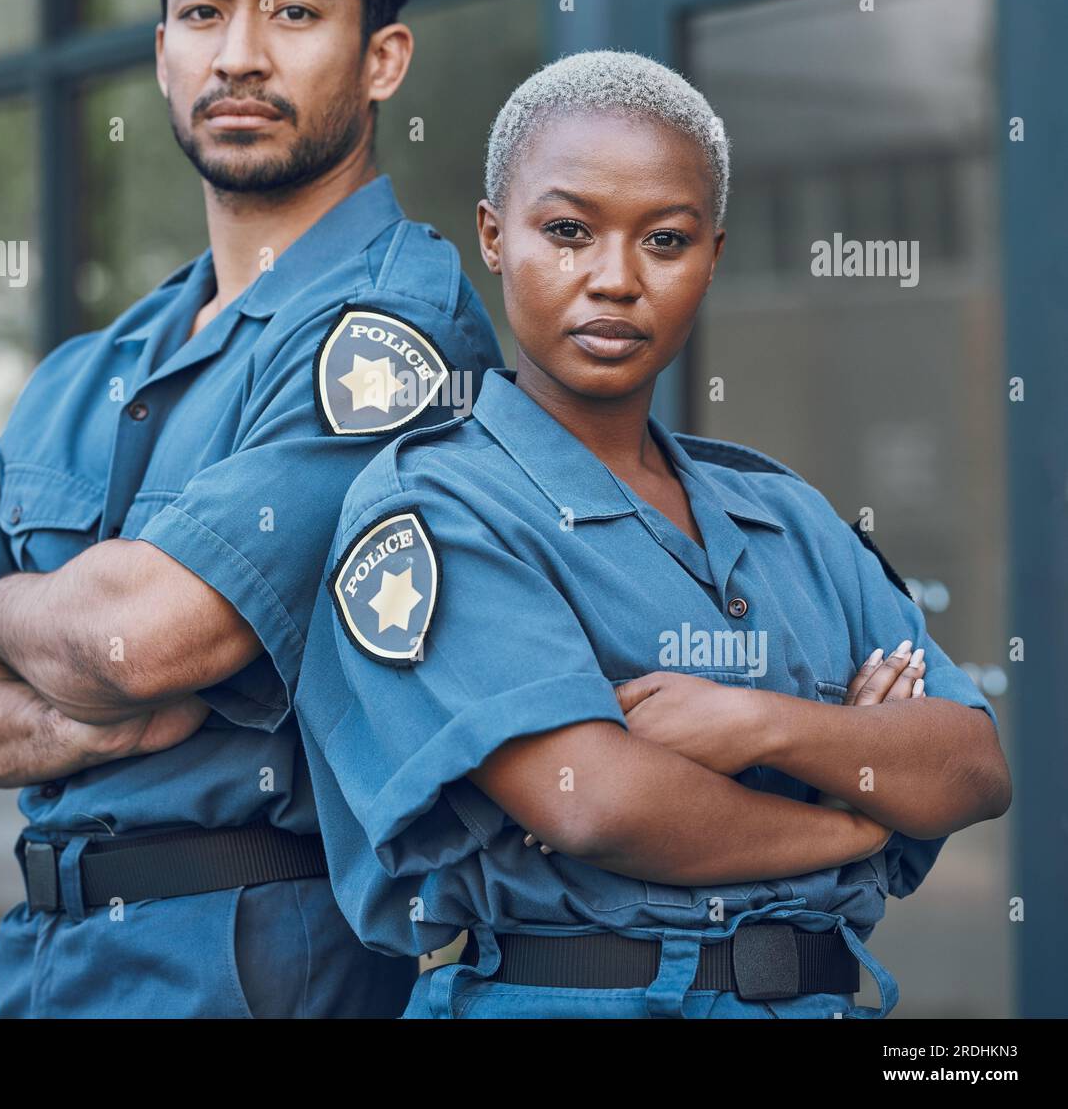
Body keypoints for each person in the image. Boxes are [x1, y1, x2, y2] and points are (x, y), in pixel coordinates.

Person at [0, 0, 503, 1019]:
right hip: (49, 962)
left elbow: (136, 648)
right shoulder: (85, 370)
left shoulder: (391, 335)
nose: (240, 55)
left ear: (382, 59)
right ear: (164, 55)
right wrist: (94, 728)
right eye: (202, 13)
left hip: (255, 963)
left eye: (294, 12)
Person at [294, 49, 1012, 1019]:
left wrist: (758, 724)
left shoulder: (782, 514)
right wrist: (855, 819)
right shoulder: (434, 505)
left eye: (664, 241)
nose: (614, 280)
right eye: (566, 232)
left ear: (711, 257)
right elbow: (594, 802)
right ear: (494, 236)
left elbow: (970, 765)